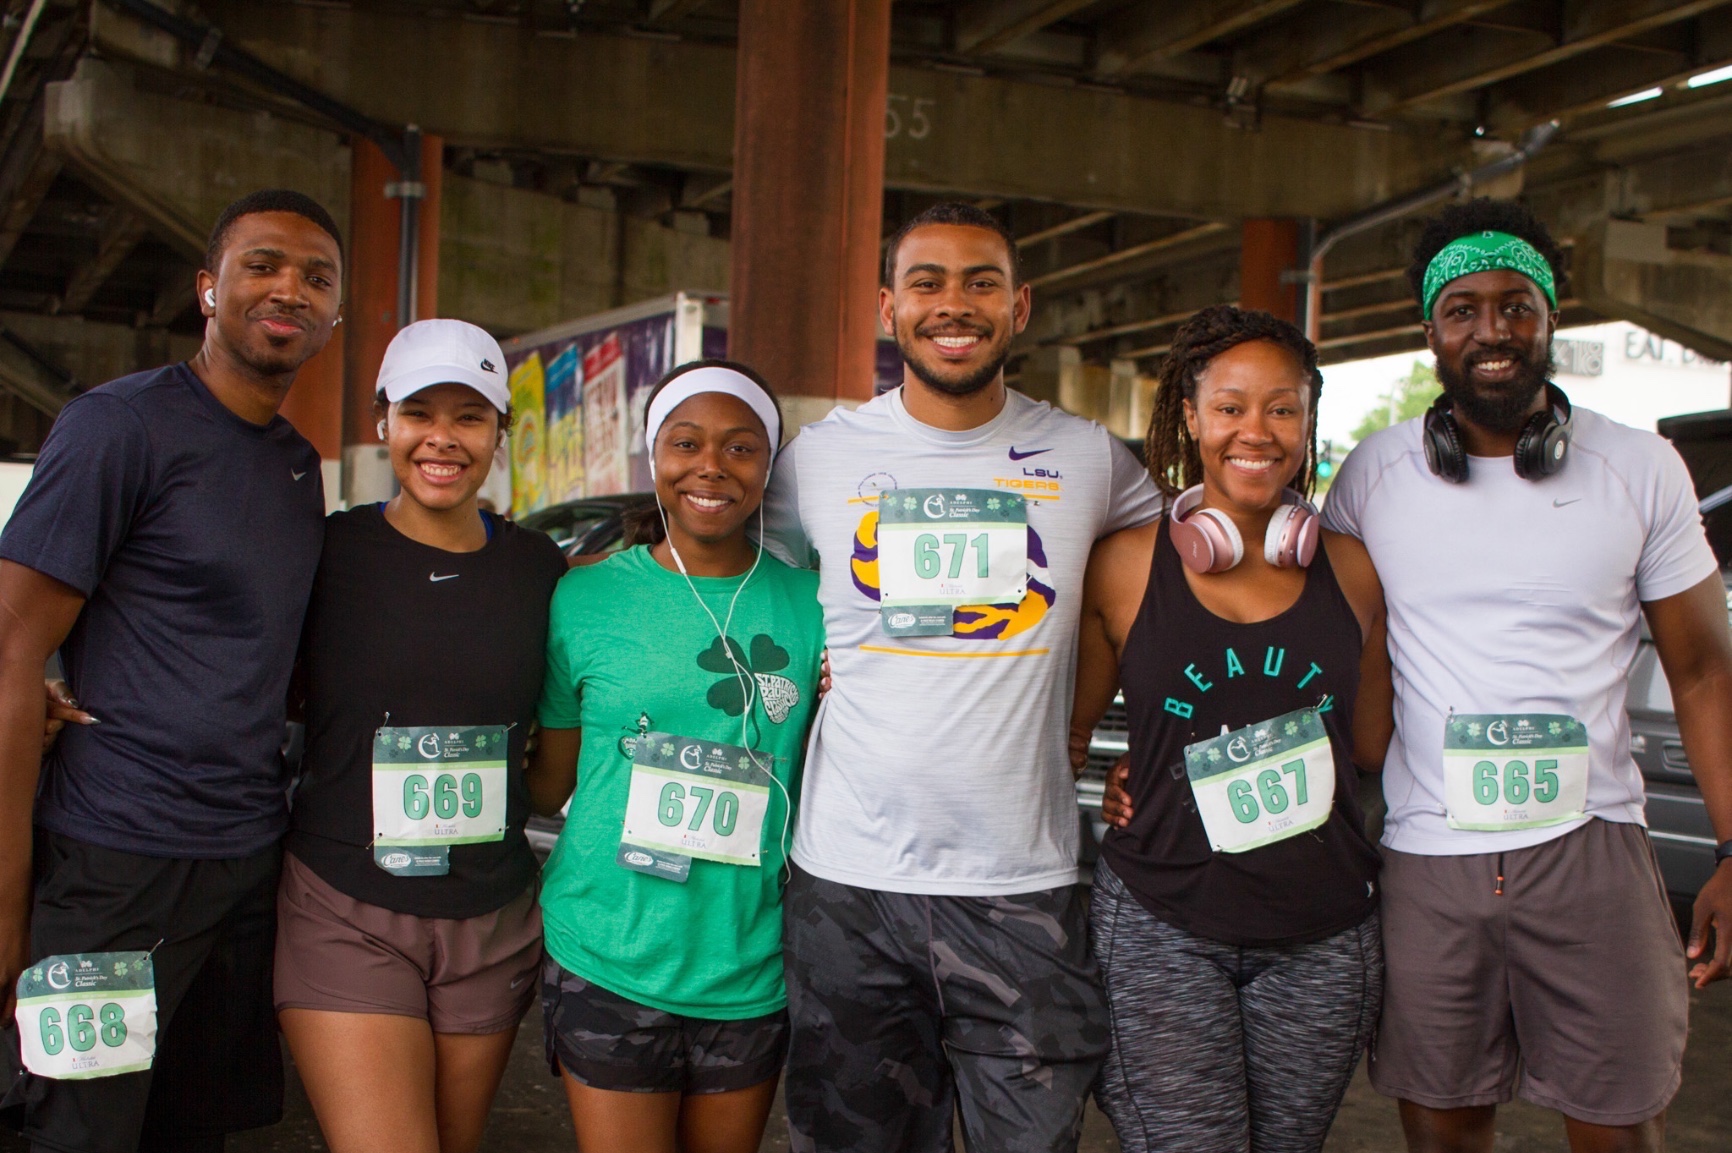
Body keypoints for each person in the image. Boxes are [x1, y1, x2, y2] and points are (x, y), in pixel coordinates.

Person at [1320, 199, 1732, 1152]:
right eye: (1463, 308)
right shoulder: (1373, 475)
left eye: (1516, 305)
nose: (1492, 329)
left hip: (1594, 845)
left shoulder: (1641, 467)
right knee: (1445, 1126)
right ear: (1430, 331)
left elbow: (1704, 666)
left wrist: (1729, 845)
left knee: (1617, 1126)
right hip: (1430, 854)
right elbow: (1343, 659)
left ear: (1552, 319)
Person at [760, 202, 1163, 1153]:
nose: (956, 304)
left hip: (1024, 886)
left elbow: (1175, 586)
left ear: (1018, 308)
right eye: (929, 283)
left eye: (981, 282)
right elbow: (750, 598)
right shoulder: (815, 463)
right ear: (888, 308)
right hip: (849, 887)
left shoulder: (1091, 459)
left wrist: (1152, 744)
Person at [0, 190, 342, 1153]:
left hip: (241, 862)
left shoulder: (295, 465)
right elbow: (11, 650)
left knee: (197, 1127)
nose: (289, 290)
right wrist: (5, 895)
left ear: (336, 316)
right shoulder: (118, 427)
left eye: (316, 278)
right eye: (263, 265)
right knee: (82, 1131)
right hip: (111, 863)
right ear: (207, 288)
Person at [1077, 306, 1391, 1153]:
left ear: (1309, 423)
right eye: (1230, 406)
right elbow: (1061, 734)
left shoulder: (1355, 571)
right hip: (1161, 925)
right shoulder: (1124, 564)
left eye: (1282, 409)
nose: (1256, 431)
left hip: (1324, 933)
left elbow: (1370, 748)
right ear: (1190, 414)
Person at [271, 319, 567, 1153]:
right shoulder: (326, 551)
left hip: (492, 915)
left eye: (470, 417)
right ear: (383, 423)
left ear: (499, 433)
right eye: (419, 412)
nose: (443, 438)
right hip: (345, 904)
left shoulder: (539, 569)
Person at [528, 360, 823, 1153]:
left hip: (747, 961)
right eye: (686, 443)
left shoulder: (817, 607)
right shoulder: (583, 598)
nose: (711, 468)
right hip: (608, 948)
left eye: (740, 447)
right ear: (654, 456)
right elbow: (551, 782)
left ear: (768, 465)